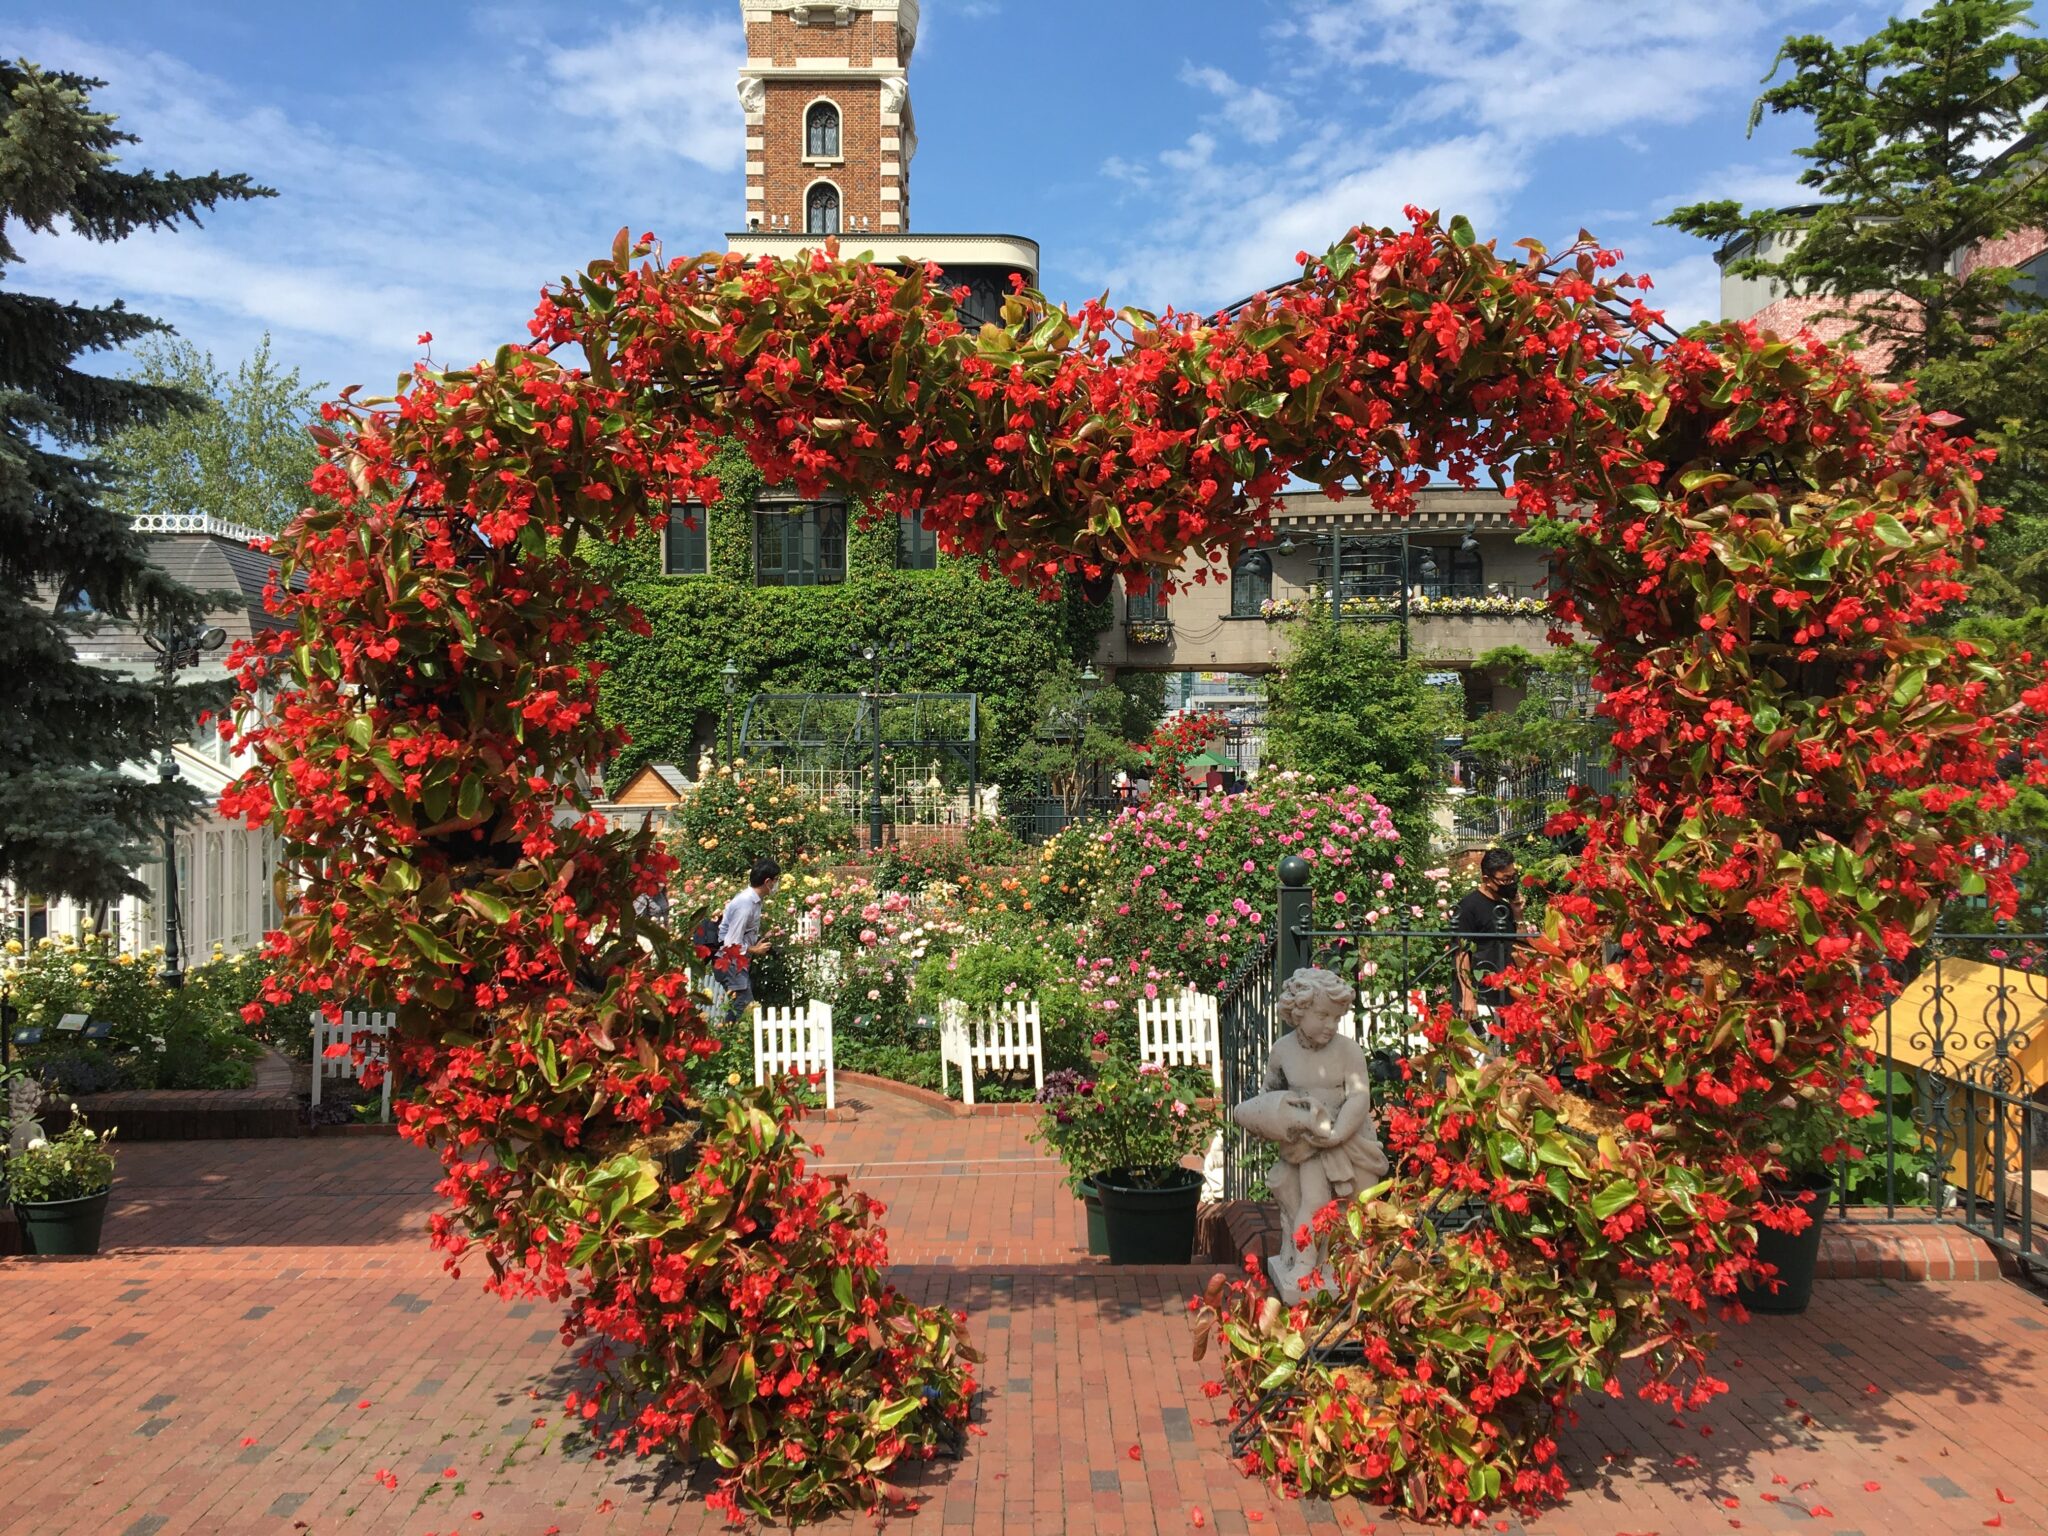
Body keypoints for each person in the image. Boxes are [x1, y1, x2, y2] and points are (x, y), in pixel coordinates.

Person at [1452, 847, 1523, 1029]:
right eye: (1505, 879)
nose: (1511, 883)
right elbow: (1461, 953)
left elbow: (1518, 947)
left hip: (1506, 996)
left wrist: (1518, 915)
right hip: (1481, 997)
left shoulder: (1504, 908)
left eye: (1513, 877)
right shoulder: (1468, 907)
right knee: (1483, 1055)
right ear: (1486, 880)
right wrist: (1468, 996)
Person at [711, 857, 779, 1018]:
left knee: (741, 1005)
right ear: (768, 881)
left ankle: (731, 1039)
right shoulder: (745, 904)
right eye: (776, 880)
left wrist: (757, 941)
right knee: (745, 1006)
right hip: (729, 962)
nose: (777, 884)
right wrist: (753, 949)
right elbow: (730, 943)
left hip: (735, 962)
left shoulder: (754, 901)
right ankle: (728, 1040)